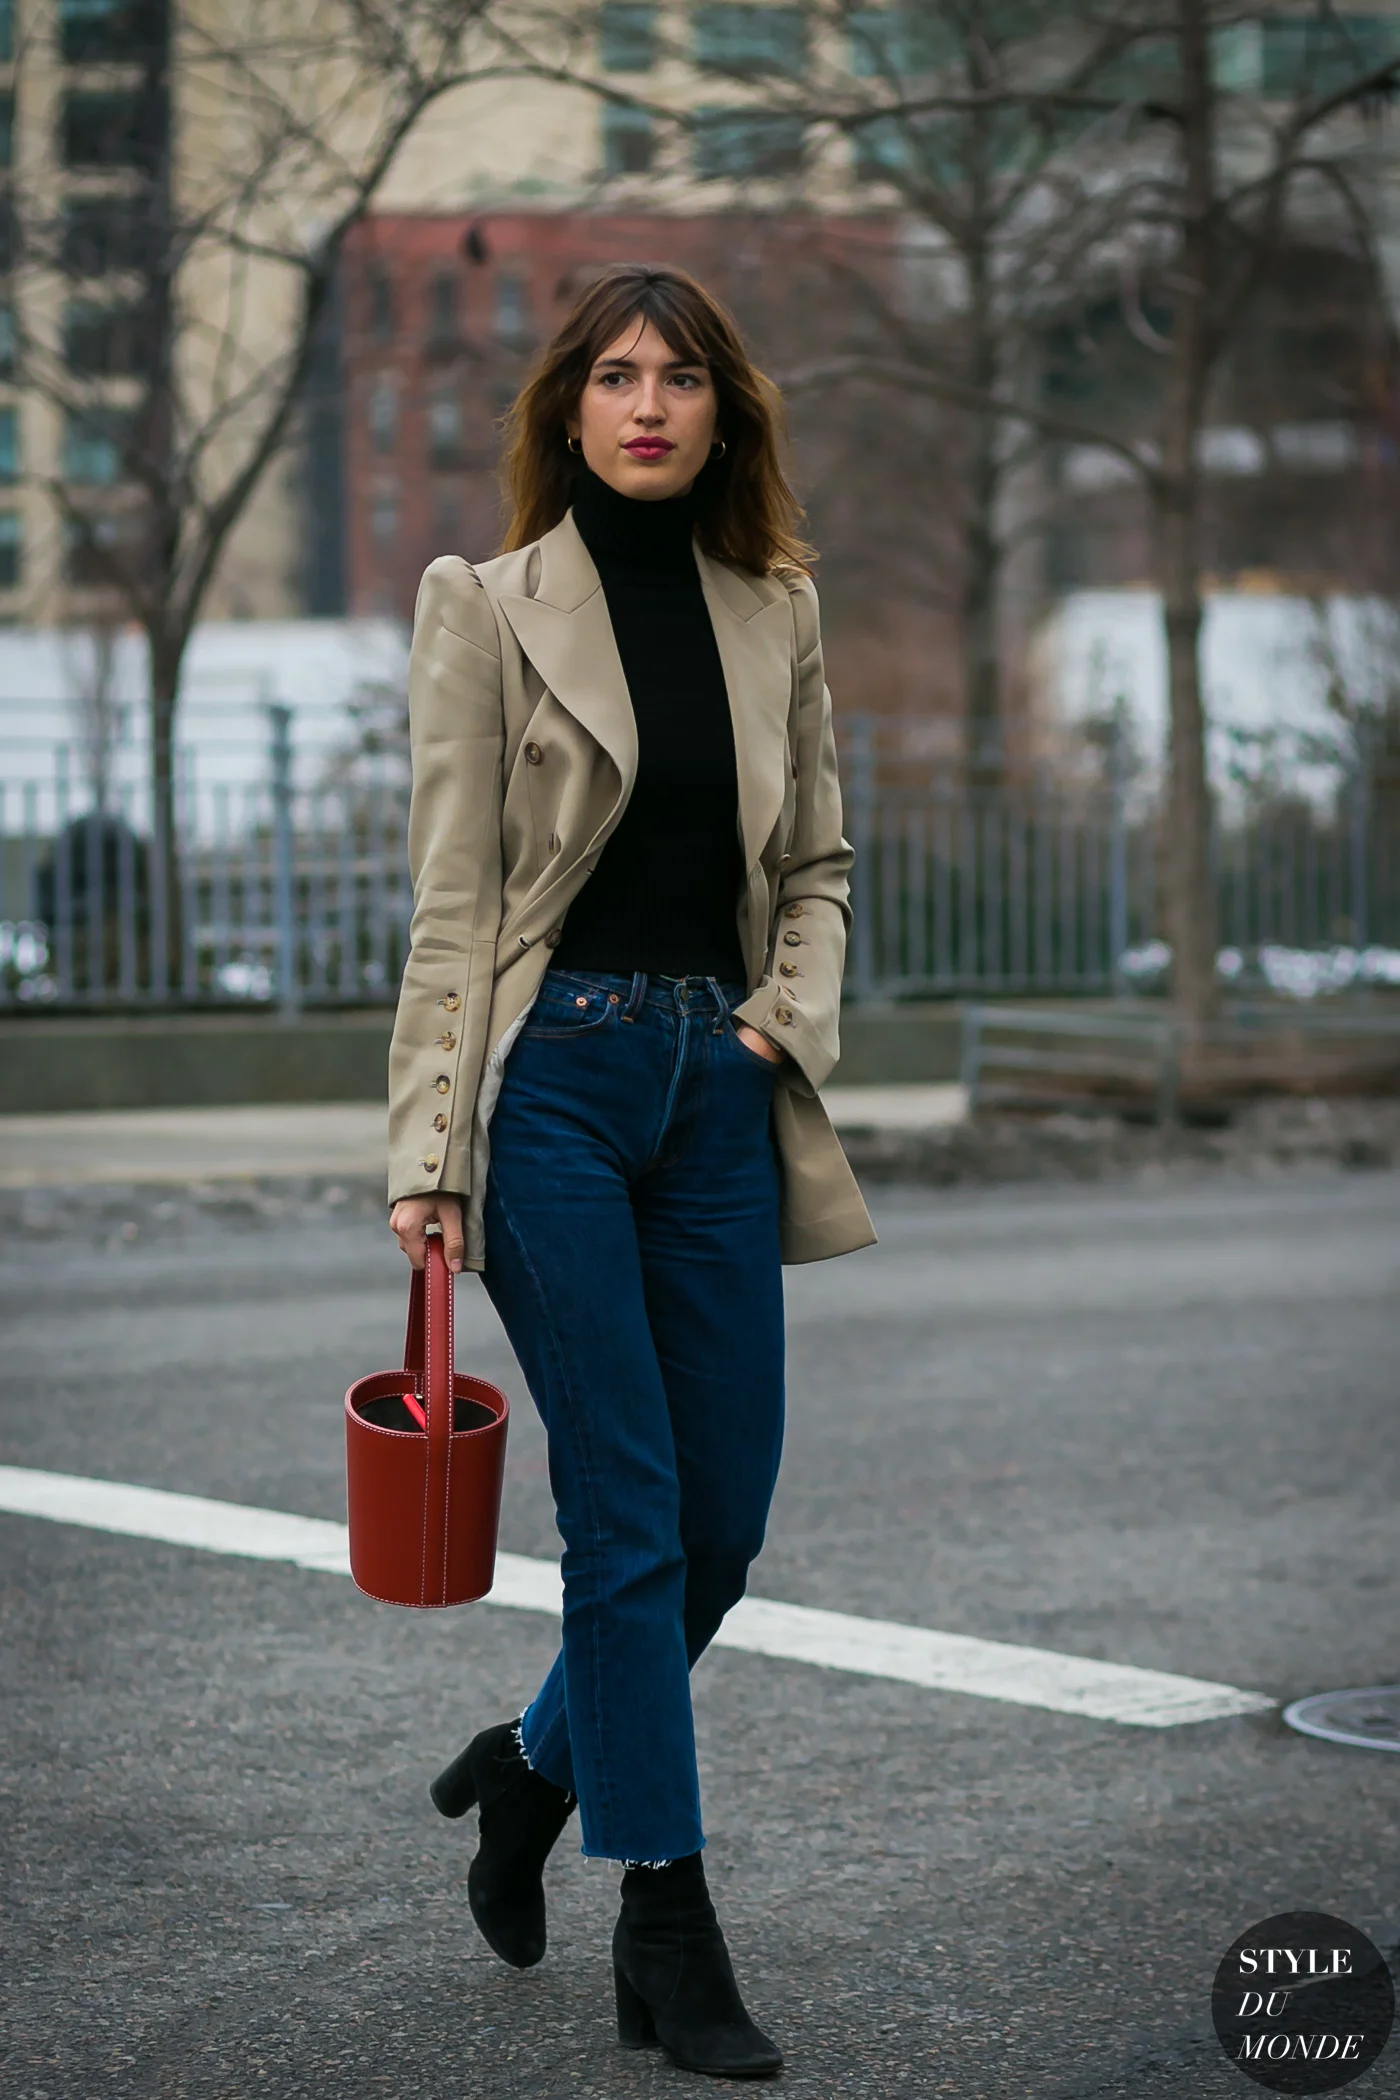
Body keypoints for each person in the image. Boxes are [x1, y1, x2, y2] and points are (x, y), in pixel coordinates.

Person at [387, 262, 875, 2079]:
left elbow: (817, 867)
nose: (649, 403)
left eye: (681, 377)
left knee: (725, 1524)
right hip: (559, 1091)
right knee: (632, 1516)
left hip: (717, 1091)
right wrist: (428, 1153)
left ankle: (526, 1772)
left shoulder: (779, 610)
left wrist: (775, 1029)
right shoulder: (489, 607)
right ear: (569, 408)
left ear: (723, 412)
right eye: (615, 374)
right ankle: (666, 1925)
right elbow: (450, 903)